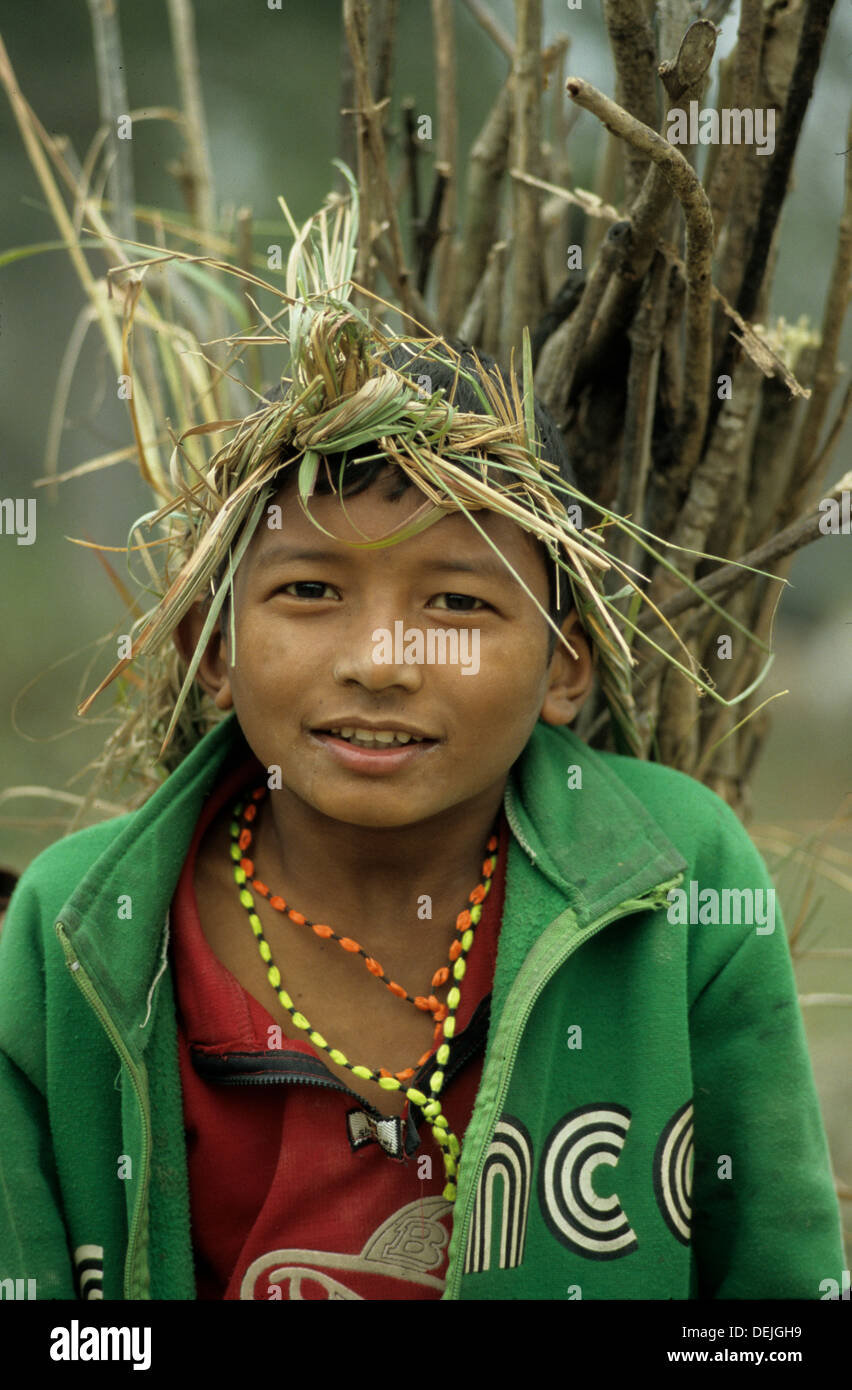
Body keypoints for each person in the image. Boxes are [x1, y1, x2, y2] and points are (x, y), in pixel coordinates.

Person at [0, 209, 844, 1300]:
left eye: (456, 601)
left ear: (566, 667)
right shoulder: (79, 930)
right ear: (211, 653)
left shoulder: (679, 880)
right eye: (309, 591)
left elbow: (775, 1284)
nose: (381, 659)